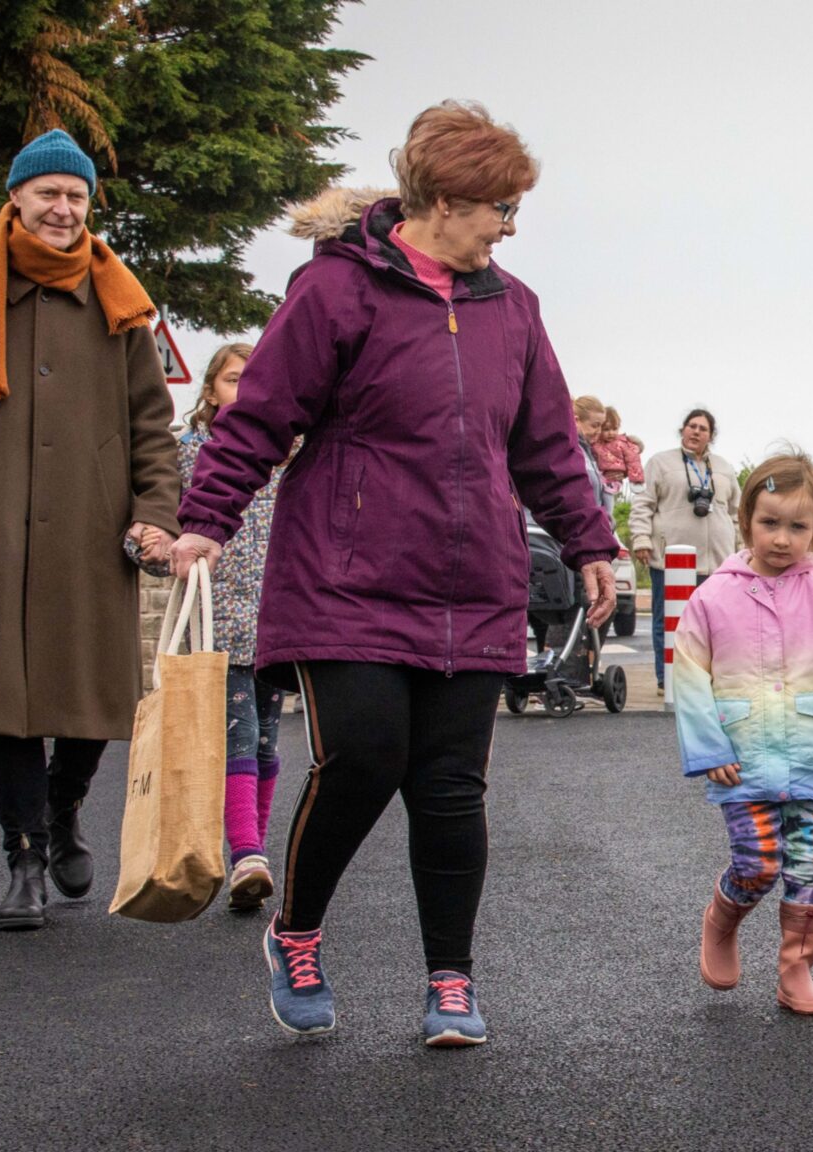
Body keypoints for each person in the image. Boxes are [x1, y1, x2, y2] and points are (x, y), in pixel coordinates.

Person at [169, 101, 617, 1045]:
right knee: (364, 757)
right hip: (346, 578)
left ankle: (449, 980)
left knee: (452, 784)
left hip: (474, 582)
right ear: (446, 201)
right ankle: (296, 932)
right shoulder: (337, 292)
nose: (507, 228)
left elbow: (544, 445)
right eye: (500, 209)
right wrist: (205, 520)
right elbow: (256, 417)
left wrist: (587, 544)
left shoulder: (514, 306)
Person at [0, 129, 180, 931]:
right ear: (17, 197)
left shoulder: (121, 300)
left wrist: (154, 511)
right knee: (11, 704)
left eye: (76, 196)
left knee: (90, 696)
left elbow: (151, 423)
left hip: (91, 529)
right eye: (48, 194)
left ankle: (66, 808)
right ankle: (24, 857)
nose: (63, 208)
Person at [675, 452, 813, 1015]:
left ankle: (796, 971)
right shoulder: (713, 596)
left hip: (811, 759)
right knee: (758, 863)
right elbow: (688, 675)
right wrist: (708, 749)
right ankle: (723, 918)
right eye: (769, 523)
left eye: (797, 527)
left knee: (807, 872)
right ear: (745, 520)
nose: (781, 538)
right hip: (742, 759)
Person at [174, 342, 290, 911]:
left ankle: (254, 855)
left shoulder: (290, 454)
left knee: (268, 740)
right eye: (232, 380)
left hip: (280, 620)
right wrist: (150, 544)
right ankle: (246, 851)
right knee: (238, 736)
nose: (242, 392)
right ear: (210, 389)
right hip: (216, 620)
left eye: (253, 381)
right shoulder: (191, 452)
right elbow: (153, 525)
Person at [629, 408, 740, 693]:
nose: (696, 432)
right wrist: (641, 539)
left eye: (703, 428)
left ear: (711, 436)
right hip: (671, 559)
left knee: (713, 623)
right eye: (691, 426)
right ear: (682, 430)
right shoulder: (661, 463)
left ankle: (707, 679)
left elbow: (737, 512)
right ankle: (667, 678)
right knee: (667, 620)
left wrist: (742, 547)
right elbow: (643, 504)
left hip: (716, 561)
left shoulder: (724, 468)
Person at [591, 405, 645, 499]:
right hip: (597, 477)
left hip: (614, 478)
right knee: (596, 499)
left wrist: (636, 479)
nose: (611, 433)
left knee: (607, 499)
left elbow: (633, 460)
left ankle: (607, 513)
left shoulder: (622, 443)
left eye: (614, 429)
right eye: (606, 429)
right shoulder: (594, 442)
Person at [572, 395, 611, 516]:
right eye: (595, 425)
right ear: (576, 420)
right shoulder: (569, 450)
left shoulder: (588, 452)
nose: (599, 431)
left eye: (601, 426)